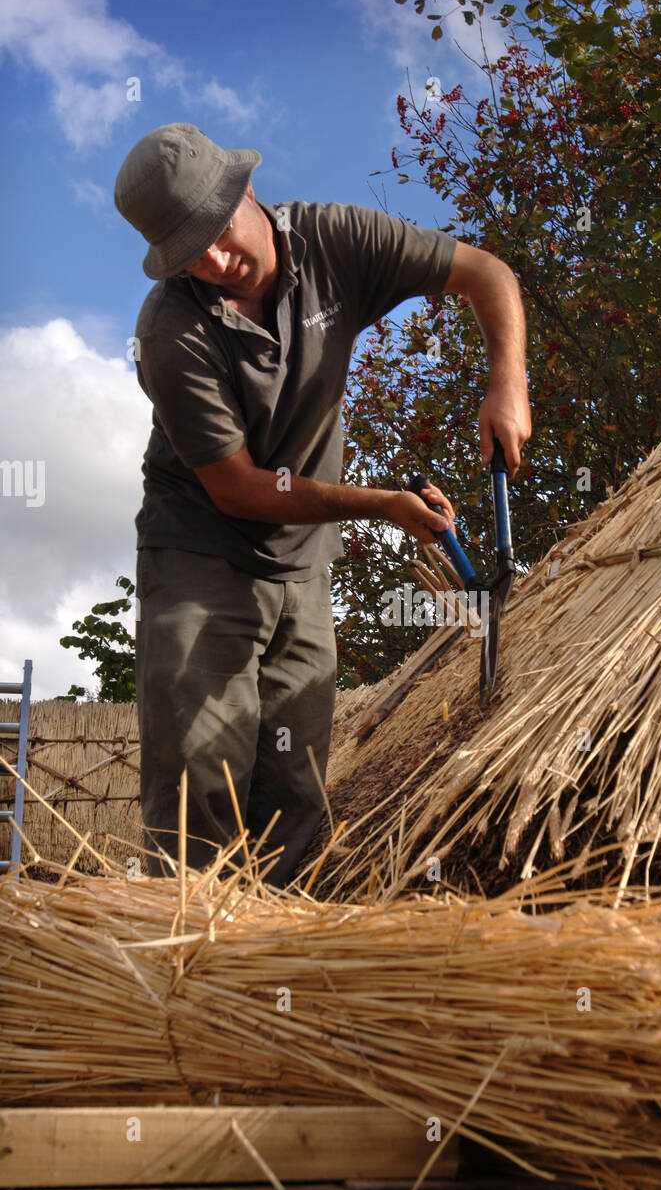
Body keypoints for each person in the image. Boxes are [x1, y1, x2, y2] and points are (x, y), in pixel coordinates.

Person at [114, 122, 531, 887]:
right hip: (200, 550)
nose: (211, 259)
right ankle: (185, 972)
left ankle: (279, 971)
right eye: (186, 253)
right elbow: (238, 488)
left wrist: (505, 384)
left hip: (300, 563)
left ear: (246, 192)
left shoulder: (335, 240)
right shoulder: (171, 330)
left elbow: (485, 273)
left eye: (215, 230)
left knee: (295, 780)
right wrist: (380, 504)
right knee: (200, 775)